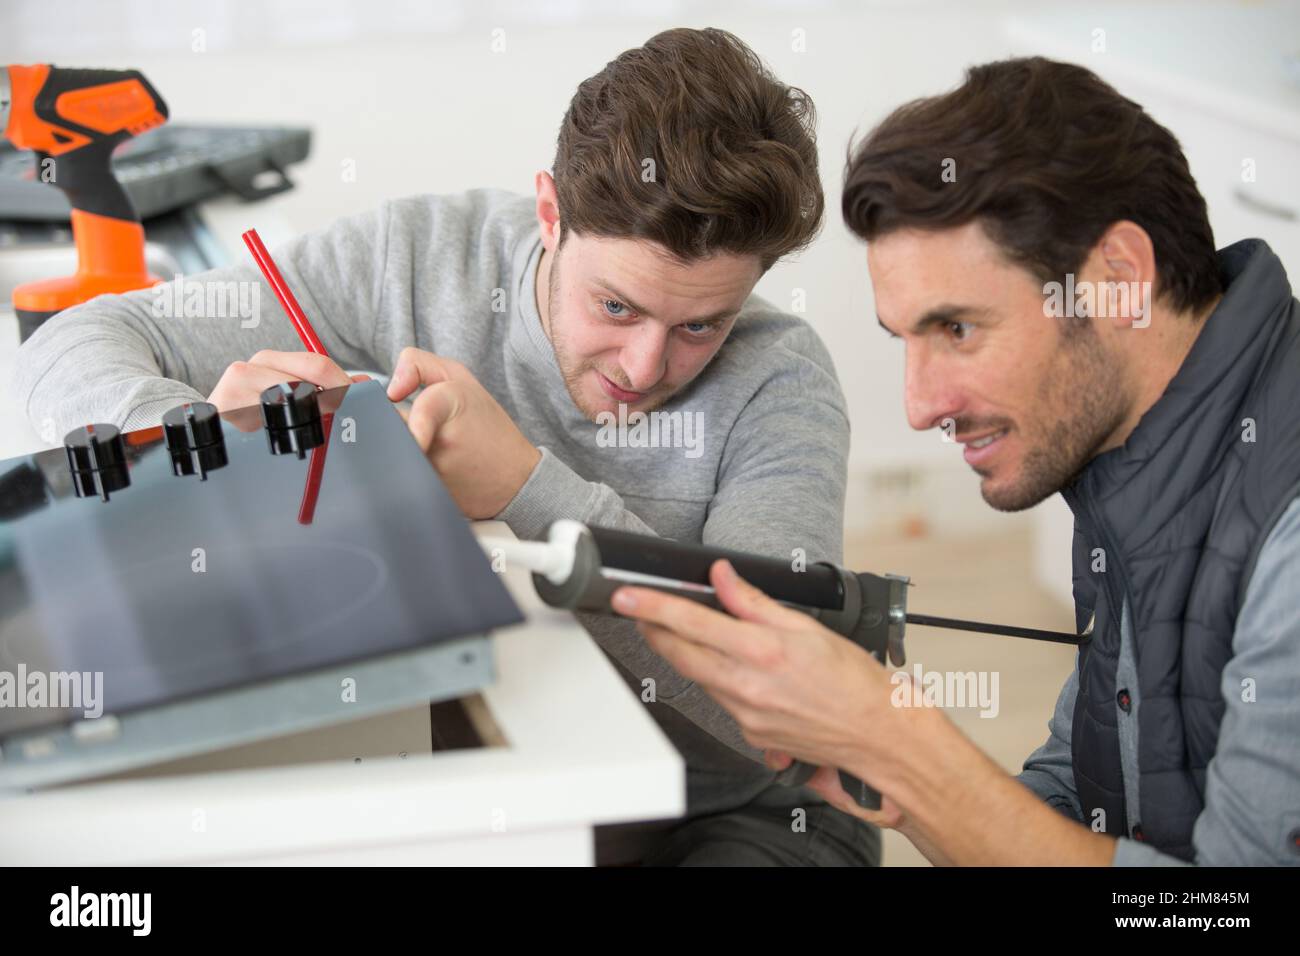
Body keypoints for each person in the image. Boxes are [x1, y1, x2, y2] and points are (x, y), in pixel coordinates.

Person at [10, 28, 878, 867]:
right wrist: (206, 441)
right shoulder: (416, 260)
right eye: (616, 307)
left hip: (731, 817)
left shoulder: (782, 381)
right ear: (550, 214)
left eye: (701, 324)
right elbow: (73, 343)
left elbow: (781, 713)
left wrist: (526, 488)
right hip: (494, 775)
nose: (646, 364)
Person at [614, 56, 1300, 865]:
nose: (919, 406)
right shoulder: (1144, 462)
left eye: (959, 331)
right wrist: (878, 760)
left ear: (1118, 278)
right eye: (907, 341)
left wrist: (907, 746)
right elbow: (1079, 803)